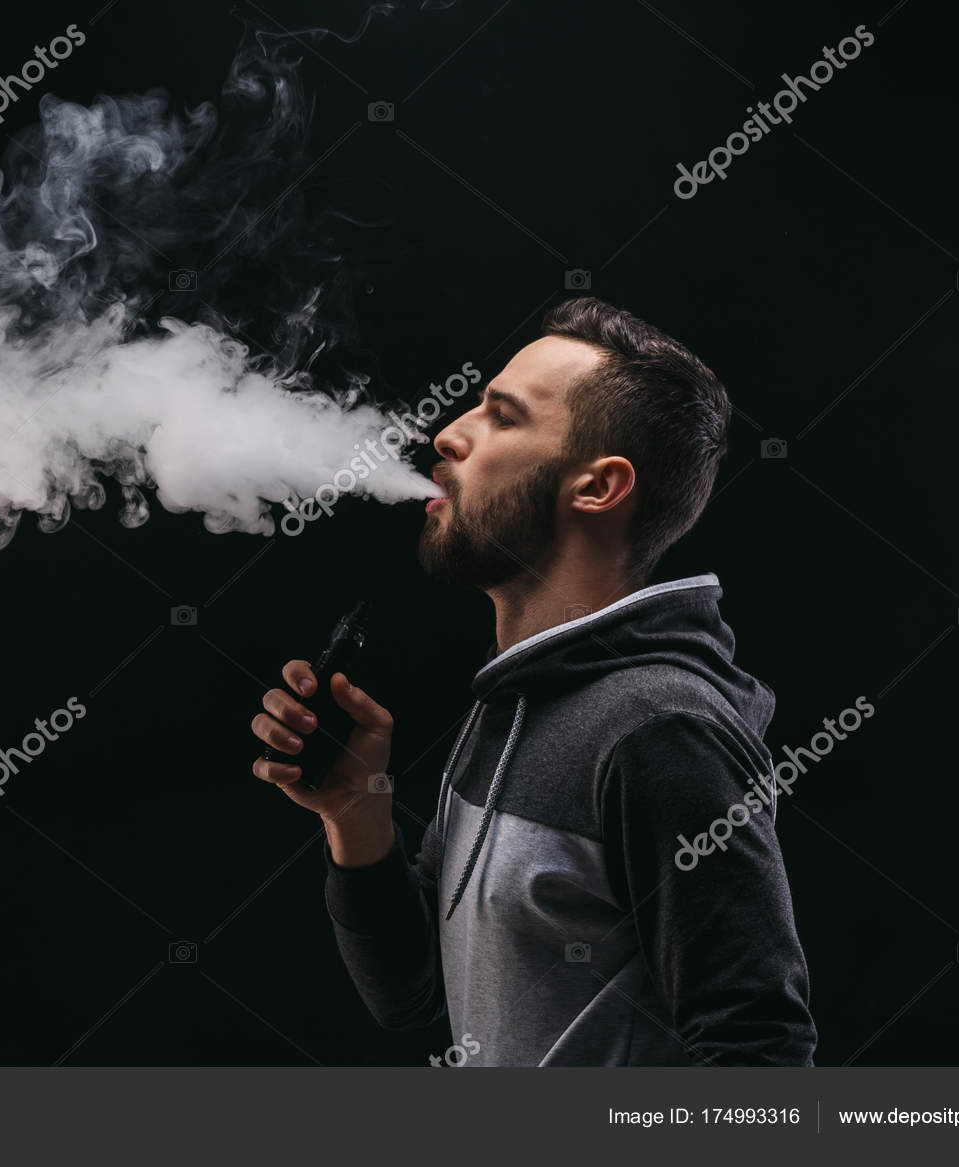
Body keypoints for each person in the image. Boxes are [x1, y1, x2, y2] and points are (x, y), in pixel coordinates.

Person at [249, 296, 817, 1066]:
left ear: (597, 486)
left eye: (502, 417)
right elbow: (415, 992)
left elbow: (761, 1054)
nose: (448, 433)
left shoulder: (658, 732)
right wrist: (358, 818)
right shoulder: (513, 702)